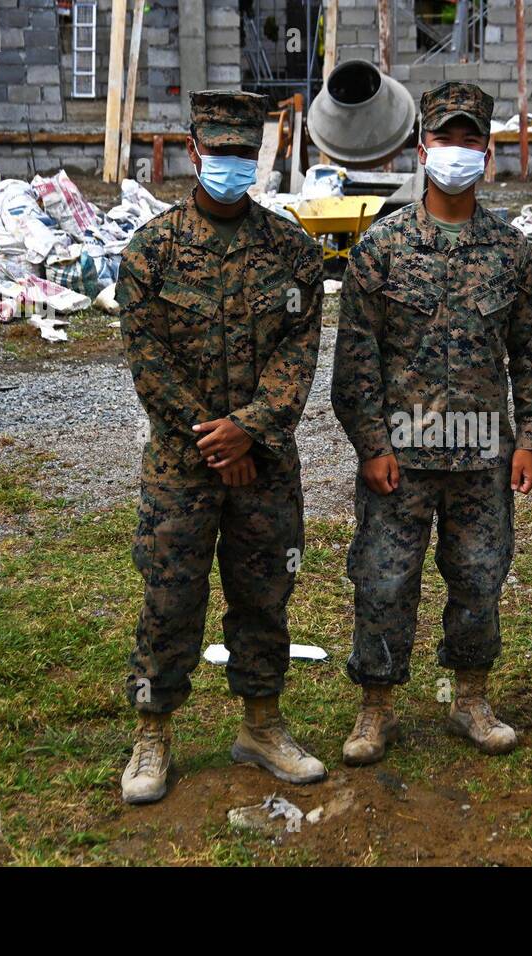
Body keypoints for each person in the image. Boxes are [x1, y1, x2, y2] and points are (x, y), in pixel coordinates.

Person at [331, 81, 532, 765]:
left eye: (468, 139)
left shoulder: (512, 253)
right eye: (443, 138)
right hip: (401, 454)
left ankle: (472, 700)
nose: (454, 151)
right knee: (383, 581)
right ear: (421, 146)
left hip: (483, 457)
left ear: (485, 152)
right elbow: (356, 357)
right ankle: (376, 708)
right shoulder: (383, 246)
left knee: (480, 577)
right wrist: (371, 444)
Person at [117, 90, 326, 803]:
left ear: (259, 156)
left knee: (264, 595)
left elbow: (299, 358)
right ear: (193, 152)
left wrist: (252, 429)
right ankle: (153, 733)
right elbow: (148, 362)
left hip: (264, 466)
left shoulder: (293, 252)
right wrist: (216, 439)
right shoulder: (152, 250)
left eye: (246, 152)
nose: (232, 164)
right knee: (169, 598)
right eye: (220, 151)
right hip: (183, 467)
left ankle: (261, 726)